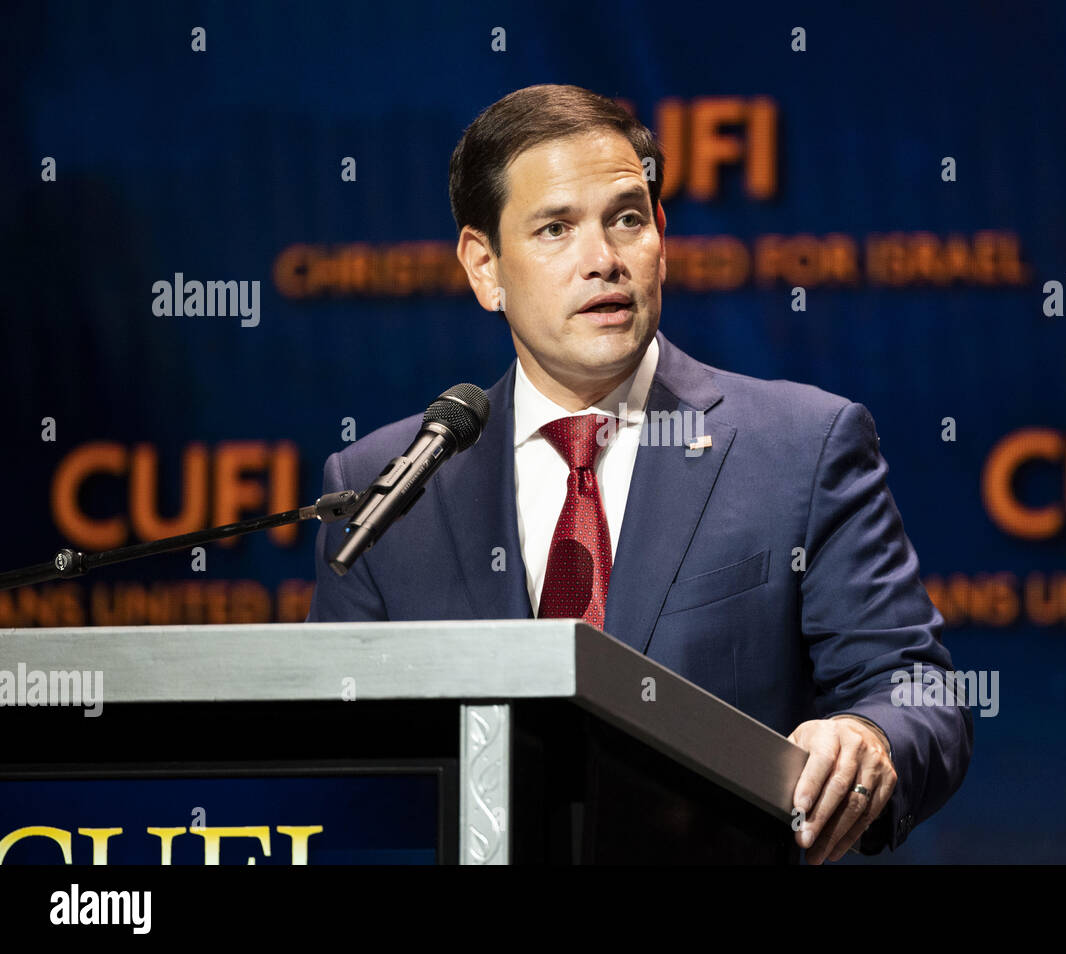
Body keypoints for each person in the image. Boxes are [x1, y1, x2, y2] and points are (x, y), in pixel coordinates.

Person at [308, 84, 972, 864]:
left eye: (626, 218)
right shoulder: (388, 488)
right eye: (555, 229)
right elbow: (337, 765)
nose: (603, 261)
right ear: (484, 267)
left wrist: (868, 737)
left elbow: (915, 689)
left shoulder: (801, 445)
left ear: (661, 233)